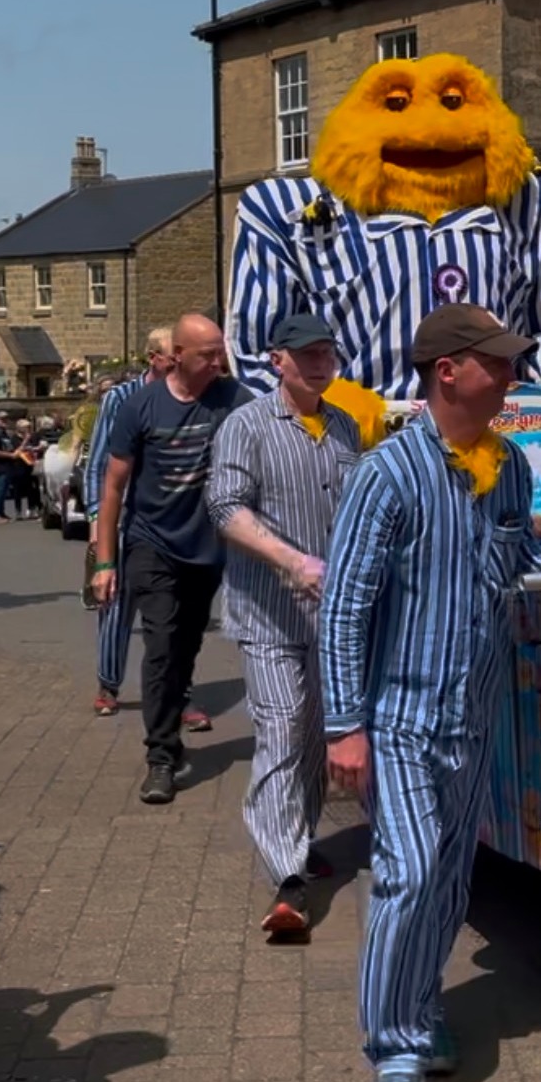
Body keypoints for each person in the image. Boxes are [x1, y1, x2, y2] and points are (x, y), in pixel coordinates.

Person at [322, 304, 541, 1082]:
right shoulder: (388, 474)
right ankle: (395, 1058)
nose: (512, 375)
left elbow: (512, 560)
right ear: (449, 372)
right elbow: (344, 607)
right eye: (498, 363)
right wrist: (343, 725)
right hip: (398, 715)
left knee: (446, 880)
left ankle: (421, 1000)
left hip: (473, 715)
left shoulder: (506, 467)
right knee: (404, 872)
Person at [207, 315, 360, 939]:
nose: (319, 362)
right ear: (277, 360)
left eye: (326, 351)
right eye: (306, 354)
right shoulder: (245, 424)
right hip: (269, 611)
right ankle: (288, 878)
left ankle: (297, 838)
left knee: (314, 736)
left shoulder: (347, 425)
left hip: (334, 617)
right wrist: (293, 560)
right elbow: (224, 508)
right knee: (280, 729)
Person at [91, 315, 250, 805]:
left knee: (184, 645)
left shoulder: (234, 399)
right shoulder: (141, 406)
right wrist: (105, 561)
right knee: (160, 645)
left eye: (220, 352)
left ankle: (176, 715)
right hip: (151, 542)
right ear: (178, 354)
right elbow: (114, 485)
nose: (218, 361)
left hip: (207, 549)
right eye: (207, 354)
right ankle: (160, 757)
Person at [82, 329, 212, 727]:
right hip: (124, 518)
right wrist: (94, 521)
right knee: (116, 604)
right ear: (155, 358)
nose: (178, 366)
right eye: (171, 359)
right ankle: (108, 683)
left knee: (173, 617)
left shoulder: (196, 398)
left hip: (174, 524)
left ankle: (177, 696)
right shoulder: (121, 400)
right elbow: (101, 466)